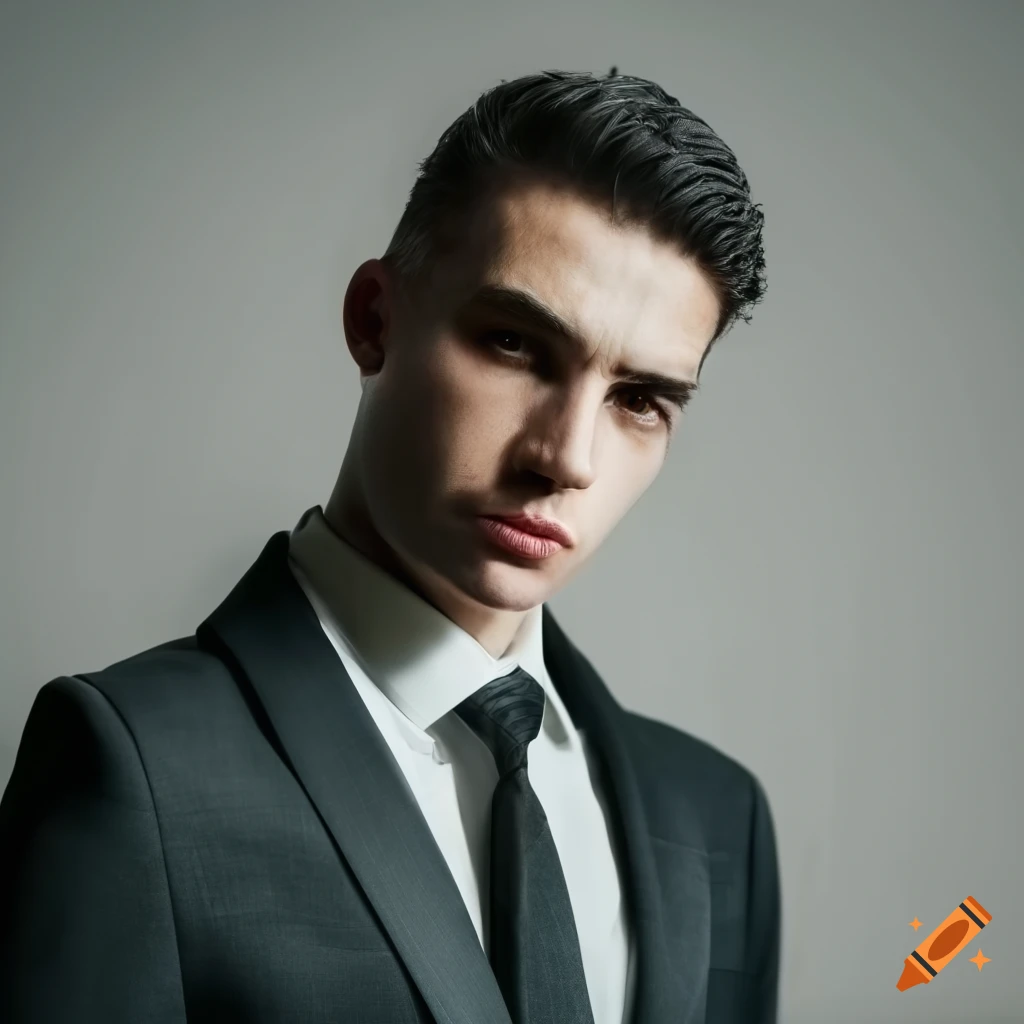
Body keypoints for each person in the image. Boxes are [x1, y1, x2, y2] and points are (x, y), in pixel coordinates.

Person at [0, 68, 780, 1024]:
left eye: (639, 401)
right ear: (375, 318)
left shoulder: (715, 821)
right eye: (515, 345)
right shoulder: (136, 770)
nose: (565, 457)